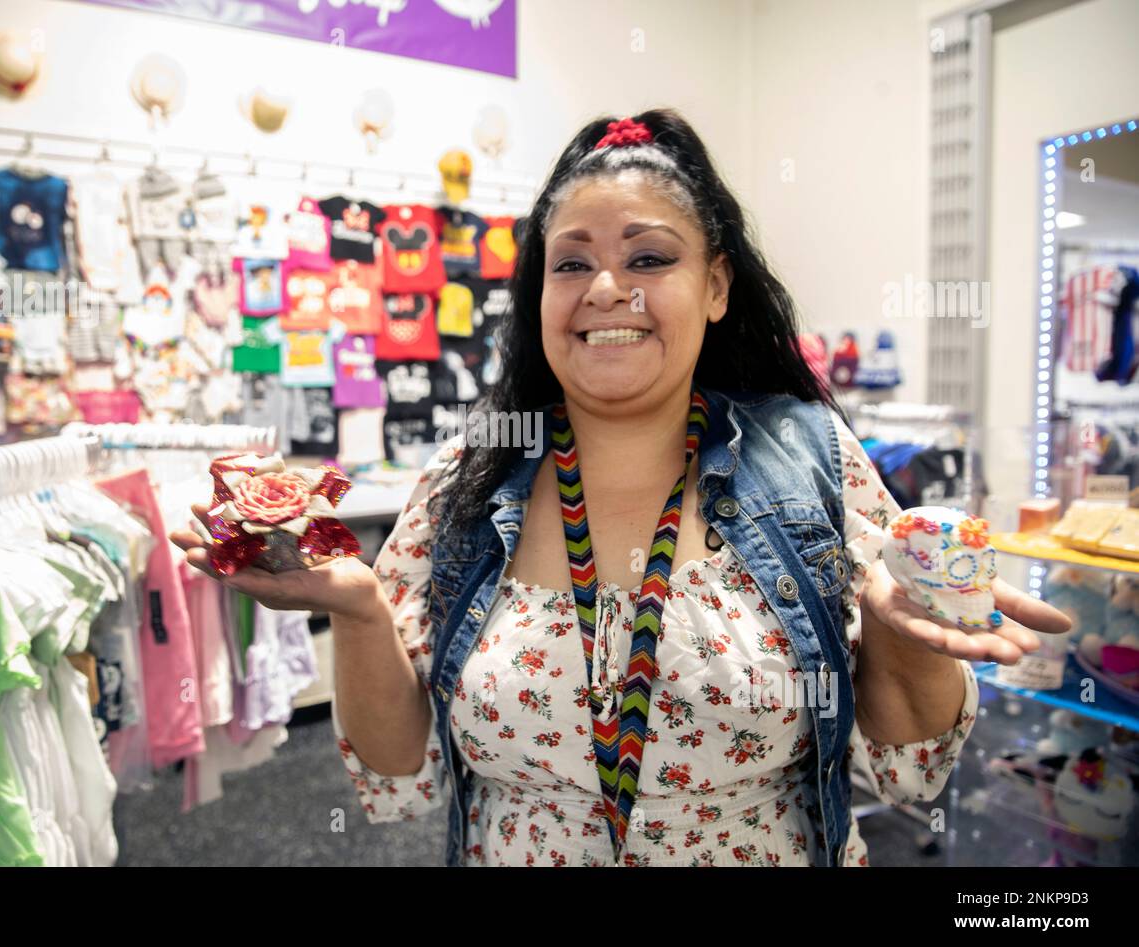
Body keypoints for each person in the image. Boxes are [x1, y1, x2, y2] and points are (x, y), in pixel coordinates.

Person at [170, 108, 1069, 867]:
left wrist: (898, 633)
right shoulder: (466, 482)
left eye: (649, 260)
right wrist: (362, 611)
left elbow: (909, 773)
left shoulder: (810, 460)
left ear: (715, 285)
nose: (606, 288)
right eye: (571, 263)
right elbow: (400, 779)